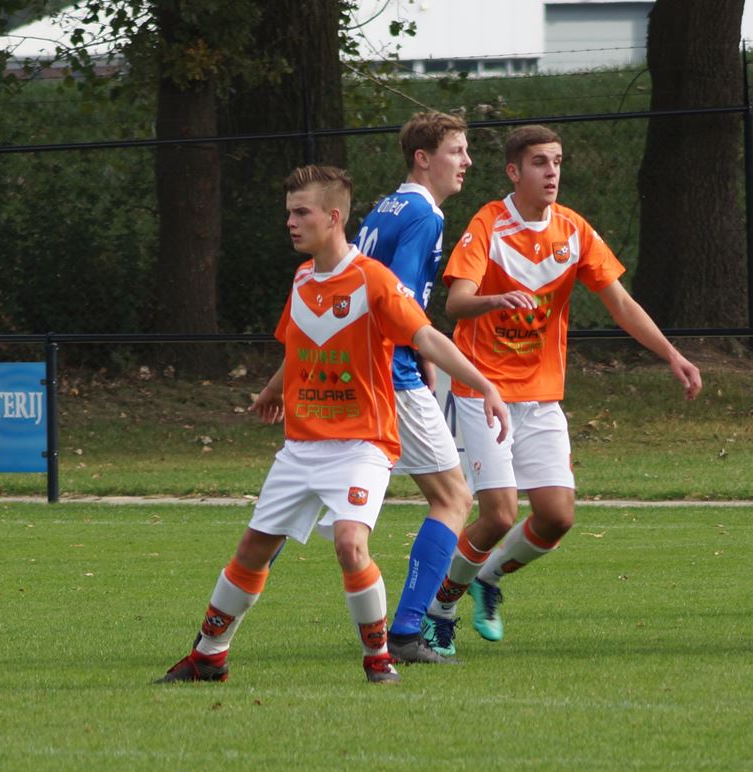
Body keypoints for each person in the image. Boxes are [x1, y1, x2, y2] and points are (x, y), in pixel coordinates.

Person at [157, 164, 510, 685]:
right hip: (301, 446)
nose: (291, 222)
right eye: (289, 213)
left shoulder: (373, 279)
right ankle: (209, 656)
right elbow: (301, 344)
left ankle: (379, 659)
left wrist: (484, 385)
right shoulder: (303, 278)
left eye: (301, 213)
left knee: (349, 542)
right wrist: (273, 389)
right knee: (253, 549)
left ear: (333, 217)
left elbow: (426, 337)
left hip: (362, 444)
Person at [421, 124, 702, 655]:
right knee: (499, 514)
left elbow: (620, 303)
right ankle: (440, 610)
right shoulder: (488, 223)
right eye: (539, 163)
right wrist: (496, 299)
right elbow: (456, 303)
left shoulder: (573, 230)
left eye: (557, 162)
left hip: (542, 396)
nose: (551, 172)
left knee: (557, 516)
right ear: (513, 171)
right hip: (484, 393)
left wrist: (672, 355)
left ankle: (488, 577)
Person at [352, 110, 477, 665]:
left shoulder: (387, 206)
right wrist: (416, 351)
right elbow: (398, 298)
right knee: (454, 498)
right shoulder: (425, 213)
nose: (466, 162)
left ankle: (218, 624)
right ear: (423, 159)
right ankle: (405, 631)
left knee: (312, 502)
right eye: (456, 151)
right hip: (390, 371)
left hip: (363, 366)